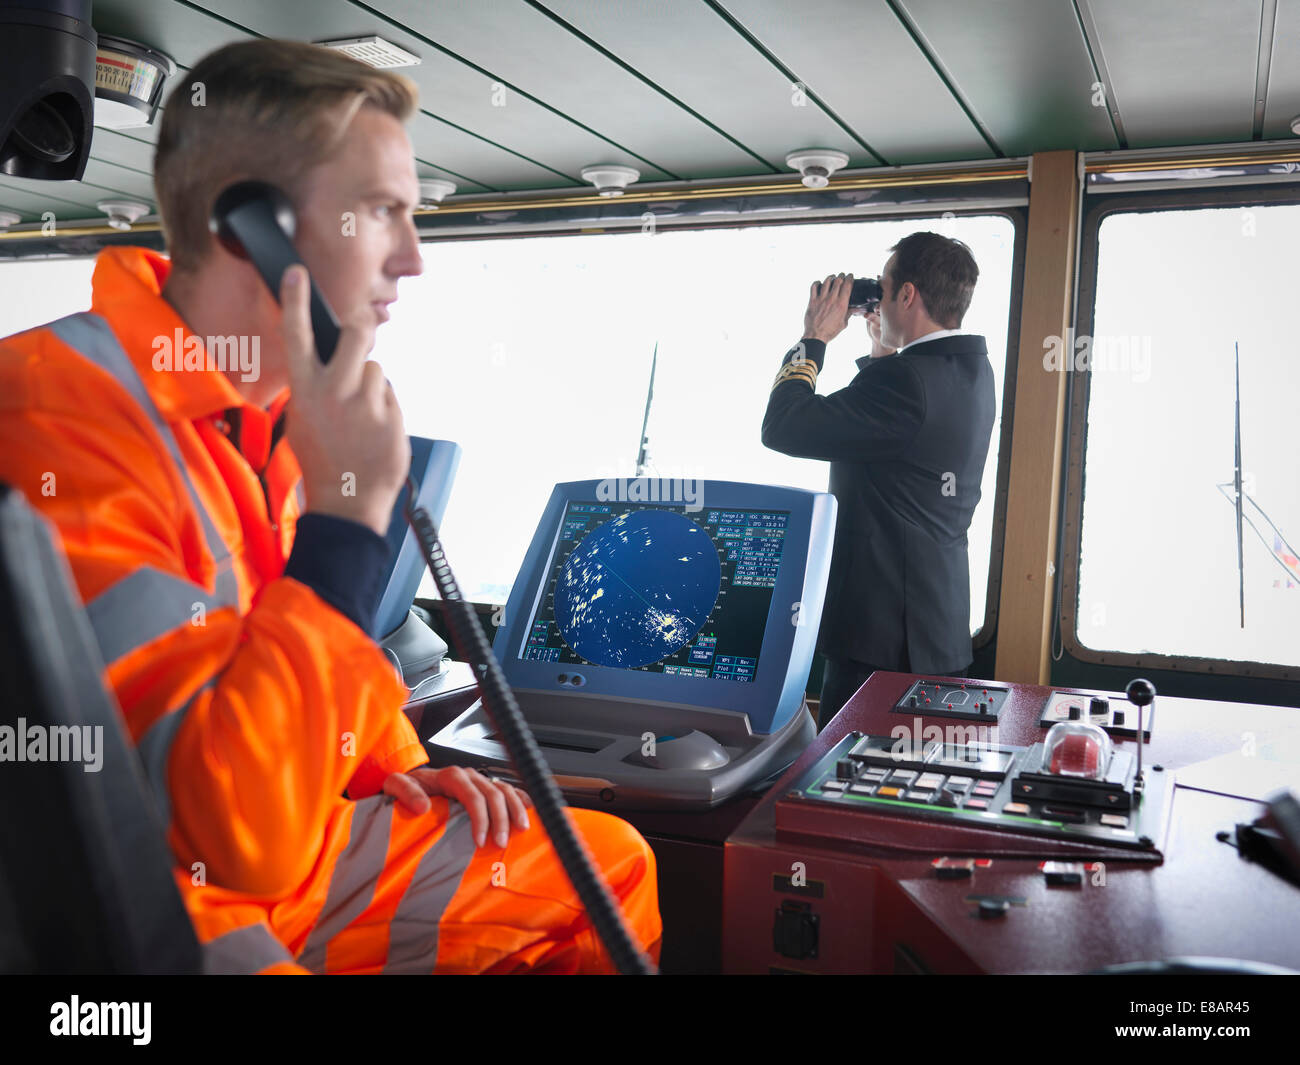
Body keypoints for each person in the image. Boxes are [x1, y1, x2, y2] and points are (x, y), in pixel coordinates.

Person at [0, 39, 659, 974]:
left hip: (300, 843)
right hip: (178, 895)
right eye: (383, 212)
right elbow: (223, 832)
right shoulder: (60, 412)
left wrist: (391, 764)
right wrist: (348, 528)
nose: (415, 259)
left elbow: (301, 654)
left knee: (610, 870)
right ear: (250, 224)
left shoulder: (274, 418)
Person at [761, 232, 995, 725]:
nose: (879, 299)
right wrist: (884, 351)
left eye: (884, 289)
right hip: (936, 634)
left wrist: (815, 339)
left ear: (907, 295)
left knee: (843, 788)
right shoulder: (972, 371)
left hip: (881, 642)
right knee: (905, 791)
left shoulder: (905, 382)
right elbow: (899, 438)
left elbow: (784, 427)